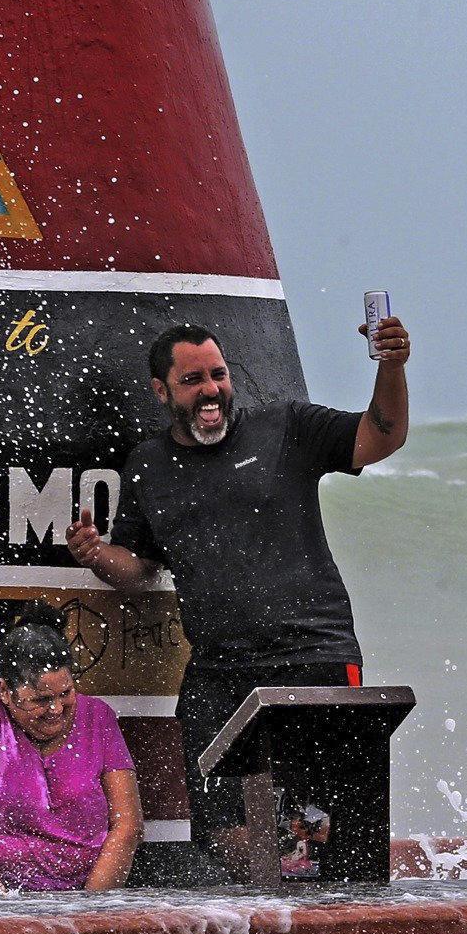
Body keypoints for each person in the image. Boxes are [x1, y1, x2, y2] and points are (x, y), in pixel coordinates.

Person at [65, 314, 412, 877]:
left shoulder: (285, 427)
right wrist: (95, 554)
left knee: (321, 827)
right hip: (218, 670)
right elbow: (140, 567)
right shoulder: (149, 465)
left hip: (313, 656)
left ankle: (332, 917)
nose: (211, 390)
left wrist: (391, 367)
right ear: (161, 391)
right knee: (222, 832)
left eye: (218, 375)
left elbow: (381, 435)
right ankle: (264, 919)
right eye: (192, 380)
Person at [0, 607, 143, 894]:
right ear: (5, 691)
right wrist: (1, 910)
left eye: (65, 693)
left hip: (86, 899)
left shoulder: (98, 716)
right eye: (40, 700)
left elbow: (128, 827)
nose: (56, 709)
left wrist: (90, 908)